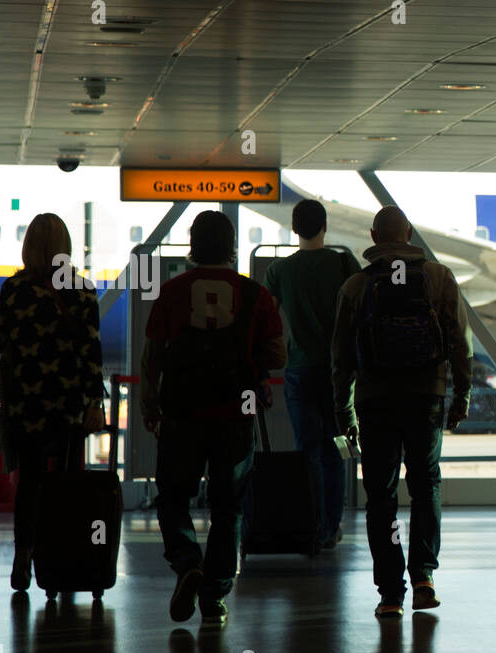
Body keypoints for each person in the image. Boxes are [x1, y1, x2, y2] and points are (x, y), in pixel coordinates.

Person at [141, 210, 285, 625]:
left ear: (193, 244)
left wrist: (151, 407)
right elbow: (278, 355)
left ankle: (188, 562)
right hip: (235, 413)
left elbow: (152, 358)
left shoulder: (171, 292)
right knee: (228, 506)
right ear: (232, 246)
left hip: (183, 411)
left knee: (172, 497)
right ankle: (215, 597)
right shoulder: (256, 295)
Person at [331, 206, 471, 617]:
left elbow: (340, 358)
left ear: (374, 237)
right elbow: (459, 342)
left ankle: (391, 592)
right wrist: (460, 394)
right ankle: (424, 575)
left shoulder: (356, 286)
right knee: (426, 484)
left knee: (381, 495)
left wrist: (344, 413)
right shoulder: (439, 277)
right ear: (408, 234)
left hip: (375, 401)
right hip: (426, 395)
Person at [0, 213, 106, 592]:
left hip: (26, 407)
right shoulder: (84, 291)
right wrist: (93, 402)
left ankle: (23, 558)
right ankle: (62, 561)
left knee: (31, 484)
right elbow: (91, 353)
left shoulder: (14, 289)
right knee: (66, 485)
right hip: (68, 408)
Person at [264, 199, 358, 549]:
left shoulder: (279, 271)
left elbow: (269, 323)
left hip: (299, 372)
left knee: (308, 452)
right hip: (337, 374)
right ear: (325, 226)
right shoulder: (343, 264)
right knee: (336, 450)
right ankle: (331, 527)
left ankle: (310, 524)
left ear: (294, 227)